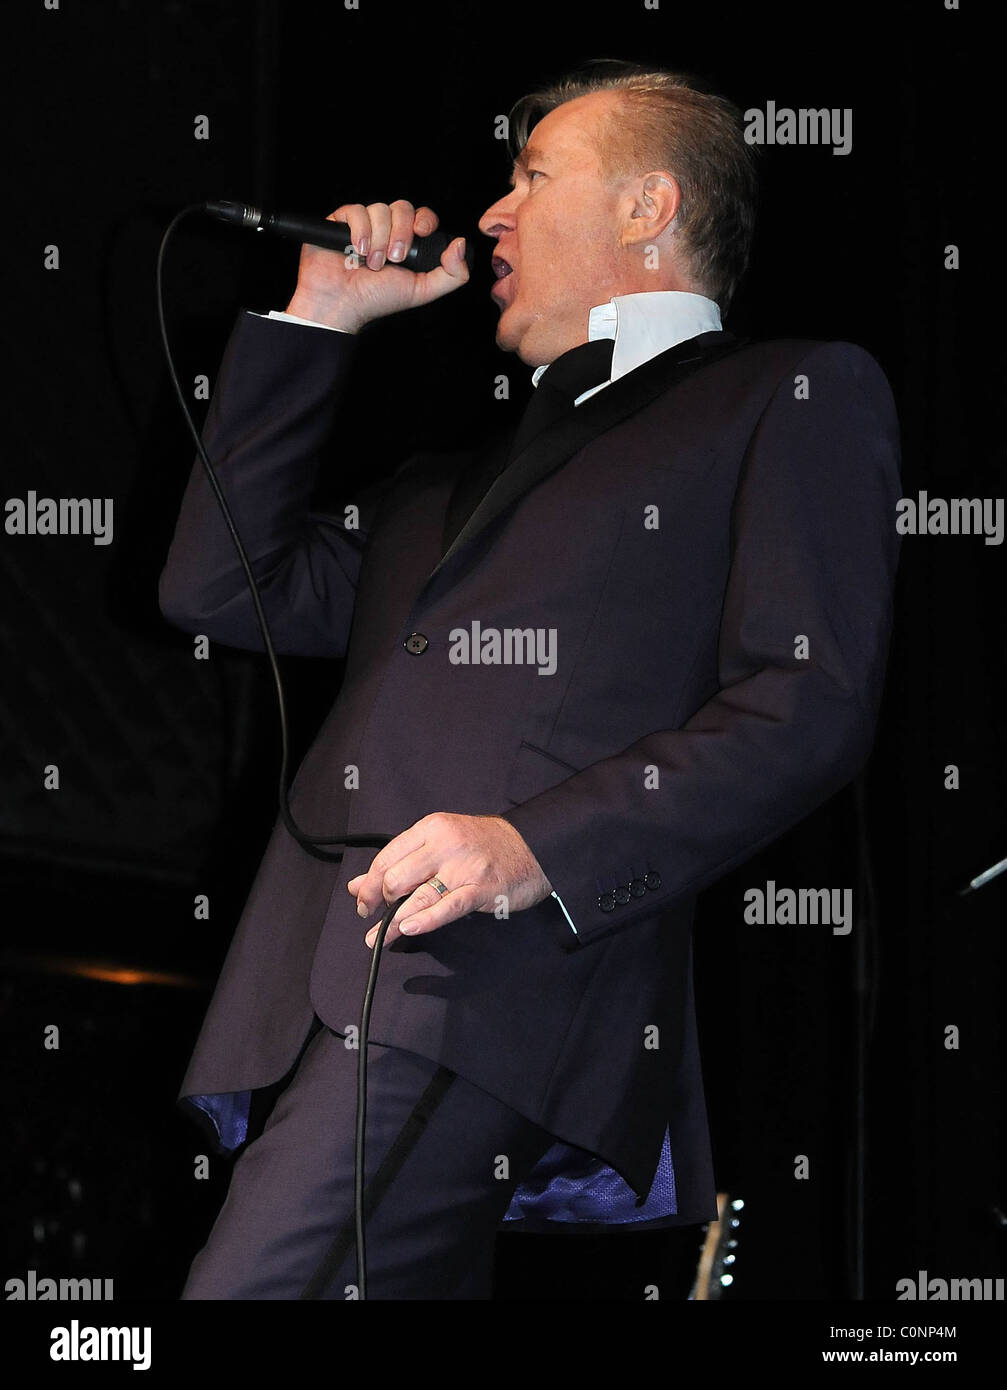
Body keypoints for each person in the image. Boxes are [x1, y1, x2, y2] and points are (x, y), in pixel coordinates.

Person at [160, 60, 901, 1300]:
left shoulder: (783, 394)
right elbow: (214, 589)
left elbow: (804, 704)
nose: (491, 213)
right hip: (309, 983)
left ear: (645, 206)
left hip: (484, 981)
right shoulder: (442, 481)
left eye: (531, 175)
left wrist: (535, 849)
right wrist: (319, 320)